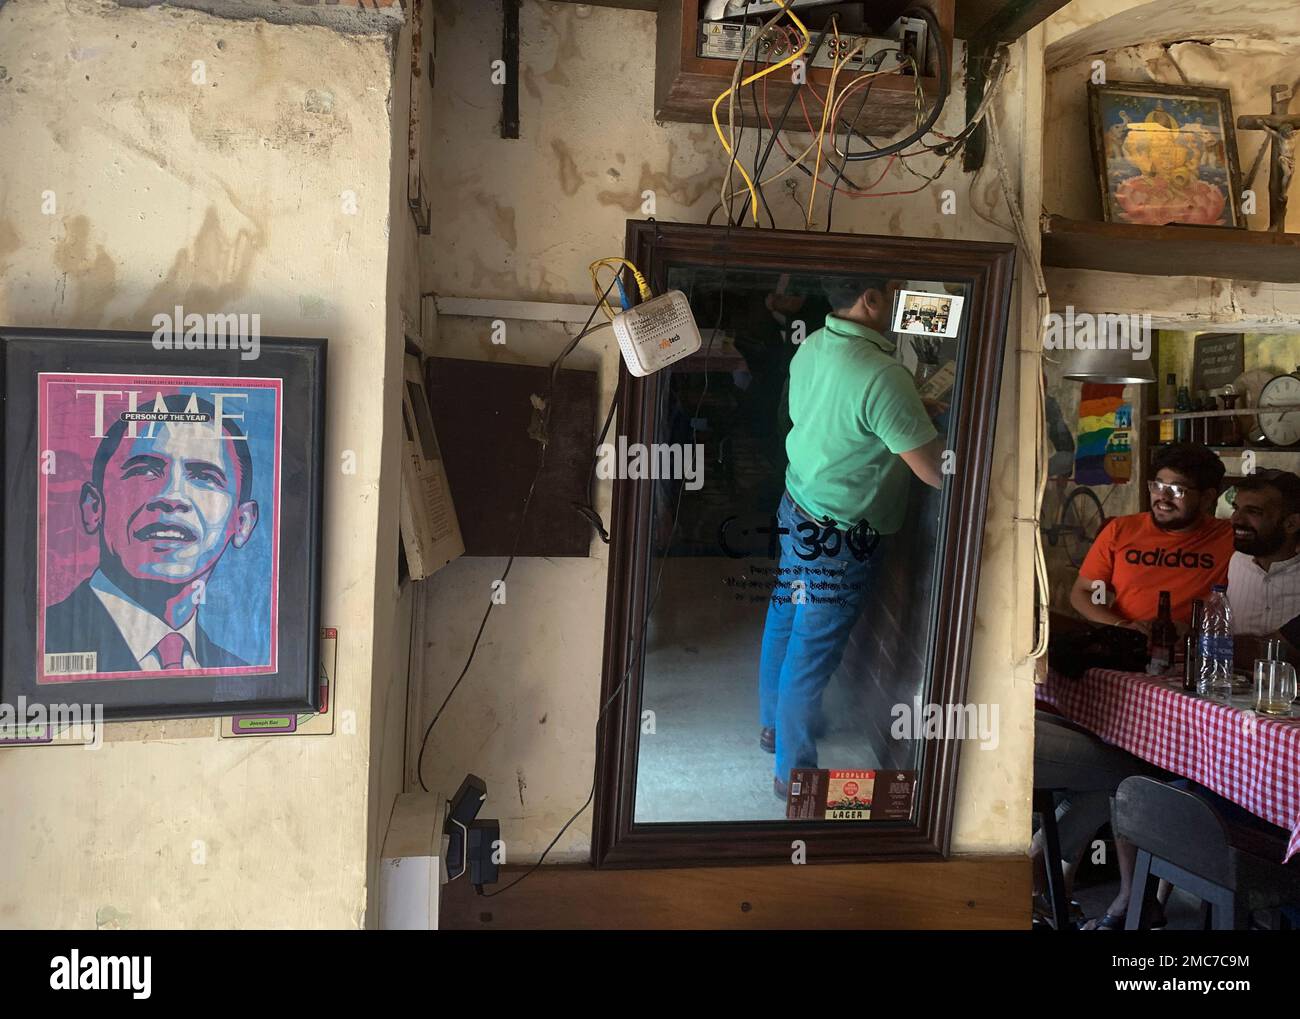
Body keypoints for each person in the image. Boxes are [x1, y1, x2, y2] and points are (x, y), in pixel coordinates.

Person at [759, 274, 945, 800]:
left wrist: (907, 416)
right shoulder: (884, 375)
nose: (902, 301)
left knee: (786, 613)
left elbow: (825, 416)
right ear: (872, 299)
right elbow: (933, 471)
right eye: (896, 292)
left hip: (797, 503)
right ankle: (793, 774)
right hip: (841, 535)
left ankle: (772, 726)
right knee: (811, 651)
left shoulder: (814, 344)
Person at [1039, 442, 1233, 929]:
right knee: (1119, 772)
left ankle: (1127, 895)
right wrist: (1122, 628)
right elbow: (1082, 594)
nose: (1162, 497)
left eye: (1177, 489)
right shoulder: (1122, 529)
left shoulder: (1230, 539)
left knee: (1147, 774)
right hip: (1115, 670)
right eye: (1157, 485)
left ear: (1209, 497)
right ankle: (1126, 895)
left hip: (1187, 675)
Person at [44, 394, 259, 672]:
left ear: (242, 523)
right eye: (144, 470)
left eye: (205, 477)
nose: (172, 496)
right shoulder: (42, 646)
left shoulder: (241, 672)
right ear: (93, 507)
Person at [1225, 469, 1300, 654]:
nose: (1237, 519)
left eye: (1253, 512)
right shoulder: (1236, 562)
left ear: (1291, 524)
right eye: (1236, 508)